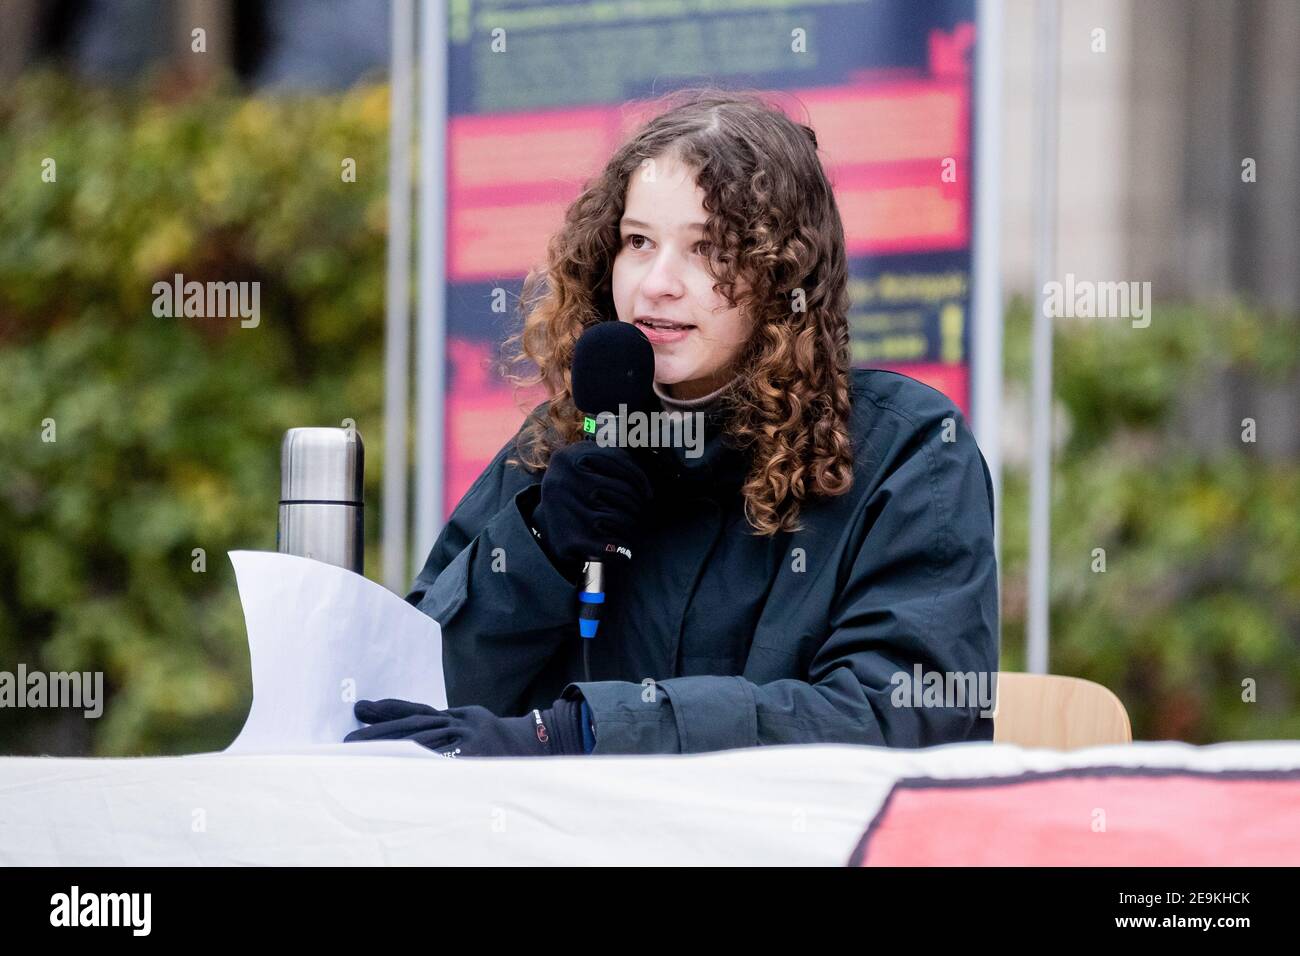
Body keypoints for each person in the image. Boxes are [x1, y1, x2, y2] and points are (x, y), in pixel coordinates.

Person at [344, 89, 999, 757]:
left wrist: (582, 730)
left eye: (707, 248)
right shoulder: (557, 443)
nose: (657, 283)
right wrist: (535, 549)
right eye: (637, 242)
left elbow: (901, 713)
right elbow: (412, 695)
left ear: (783, 273)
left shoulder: (908, 450)